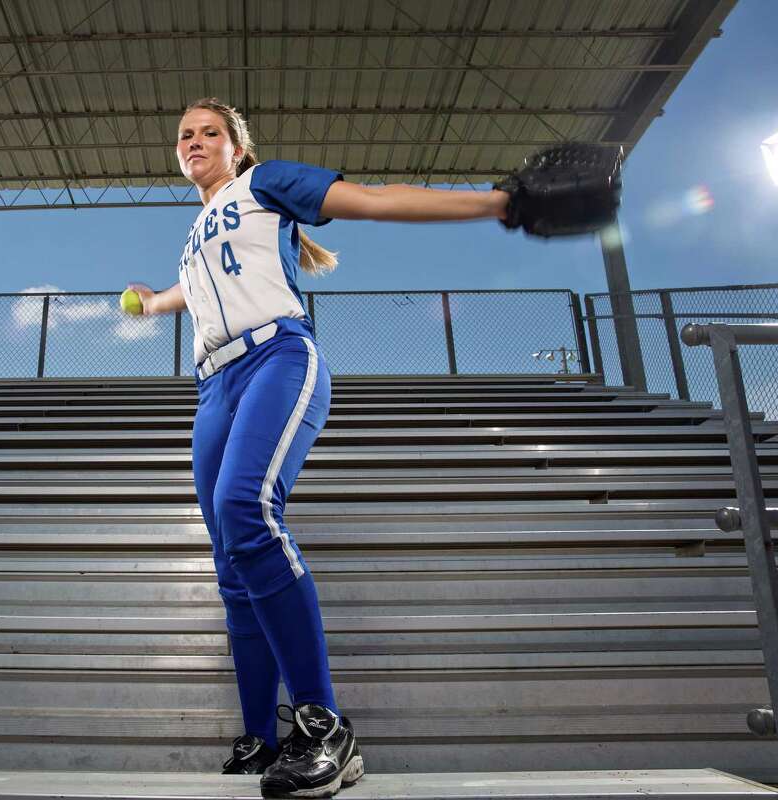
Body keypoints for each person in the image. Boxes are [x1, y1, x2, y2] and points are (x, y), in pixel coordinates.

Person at [126, 98, 509, 799]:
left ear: (237, 147)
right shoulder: (197, 230)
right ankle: (258, 741)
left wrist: (497, 204)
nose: (195, 140)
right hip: (212, 389)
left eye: (210, 131)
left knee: (247, 508)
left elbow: (370, 199)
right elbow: (189, 291)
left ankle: (325, 727)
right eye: (185, 135)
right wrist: (151, 302)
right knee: (230, 568)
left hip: (275, 357)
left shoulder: (265, 183)